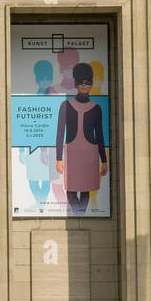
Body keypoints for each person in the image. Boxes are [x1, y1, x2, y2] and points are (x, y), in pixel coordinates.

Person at [54, 62, 108, 213]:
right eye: (81, 83)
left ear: (91, 84)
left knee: (85, 189)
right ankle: (78, 213)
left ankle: (80, 214)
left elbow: (100, 136)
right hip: (71, 155)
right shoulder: (65, 106)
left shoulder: (96, 108)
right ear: (76, 84)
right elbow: (60, 133)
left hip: (90, 156)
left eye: (88, 83)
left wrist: (104, 160)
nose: (84, 86)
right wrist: (59, 158)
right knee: (70, 189)